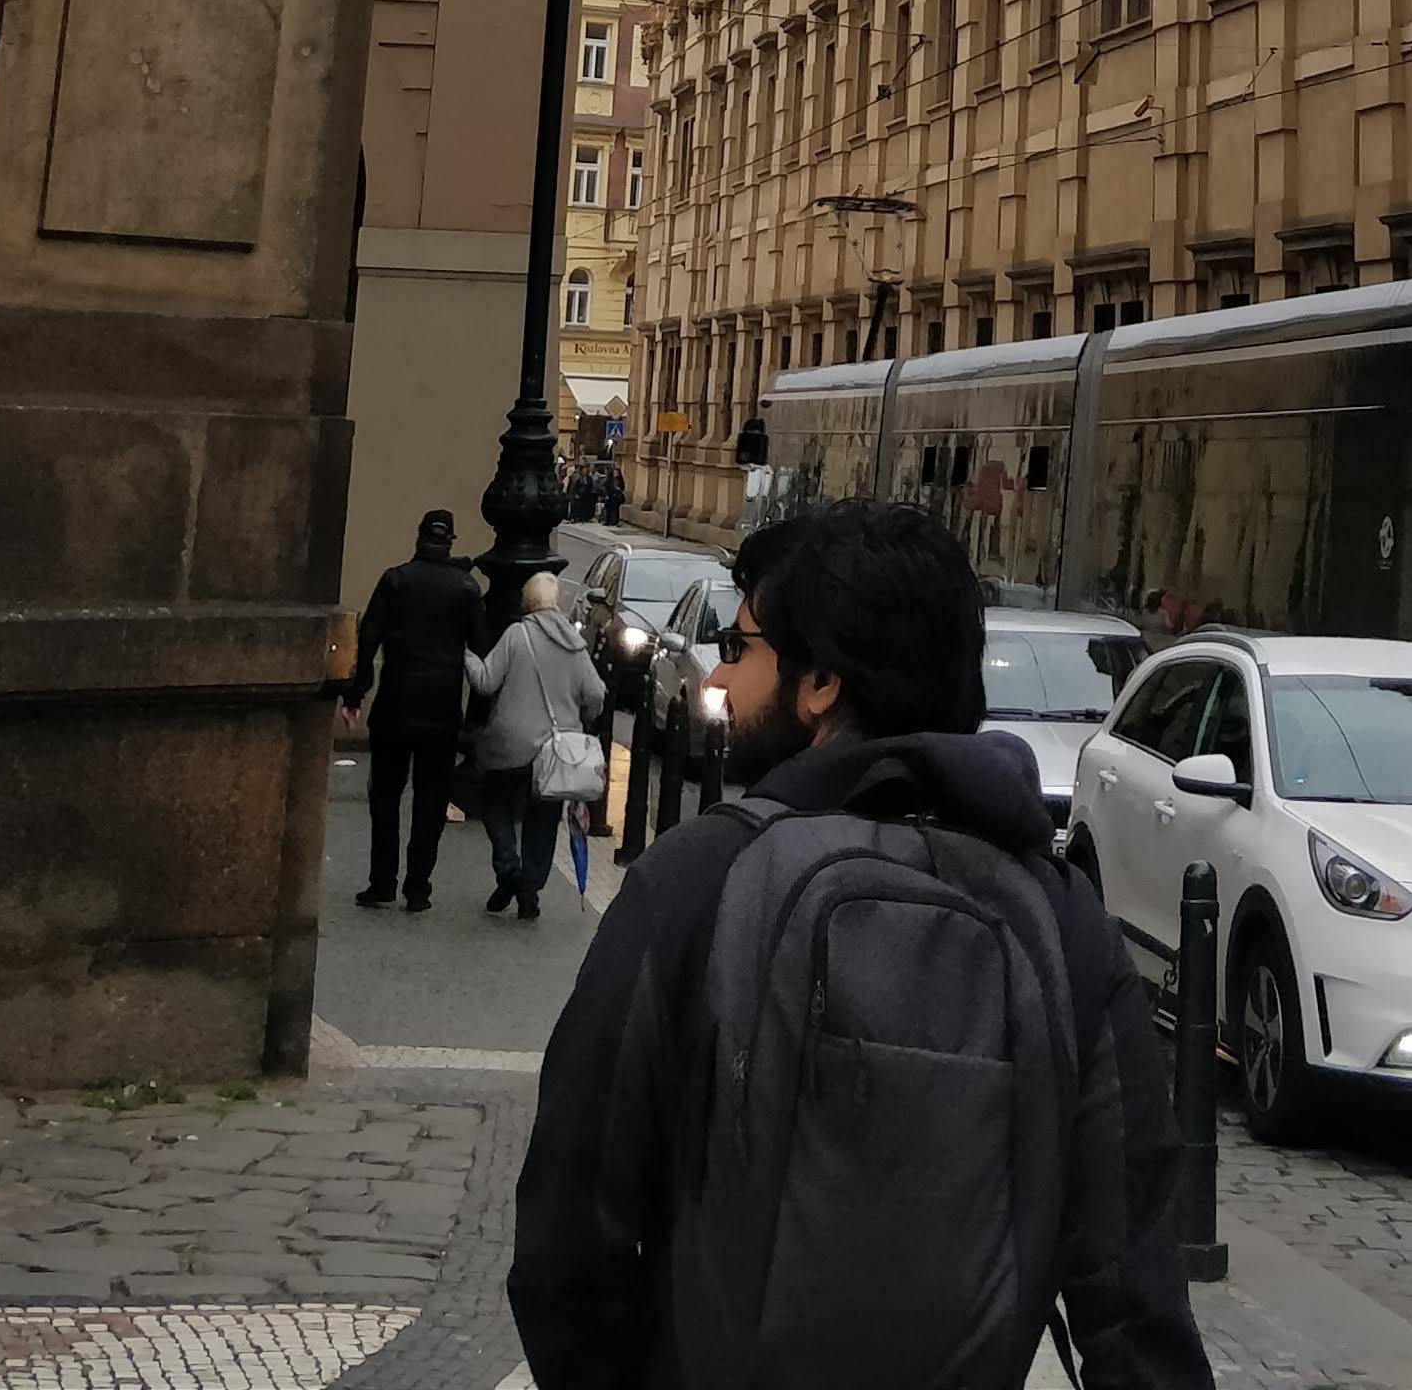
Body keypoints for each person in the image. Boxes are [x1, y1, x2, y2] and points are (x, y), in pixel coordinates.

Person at [509, 497, 1213, 1390]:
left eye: (743, 647)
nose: (721, 681)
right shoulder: (1064, 920)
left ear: (821, 684)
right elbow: (1134, 1289)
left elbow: (569, 1228)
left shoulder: (694, 883)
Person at [348, 507, 486, 913]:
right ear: (449, 543)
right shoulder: (465, 589)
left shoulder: (395, 580)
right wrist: (475, 716)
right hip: (441, 708)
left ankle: (381, 881)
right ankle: (418, 886)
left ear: (419, 538)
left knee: (386, 795)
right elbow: (481, 655)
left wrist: (356, 694)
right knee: (431, 799)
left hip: (395, 702)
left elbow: (368, 637)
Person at [468, 570, 607, 925]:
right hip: (554, 754)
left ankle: (508, 867)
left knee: (494, 804)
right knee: (542, 822)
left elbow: (485, 682)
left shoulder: (517, 635)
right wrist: (581, 716)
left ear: (526, 602)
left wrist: (464, 655)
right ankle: (529, 891)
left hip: (509, 746)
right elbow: (596, 695)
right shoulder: (576, 645)